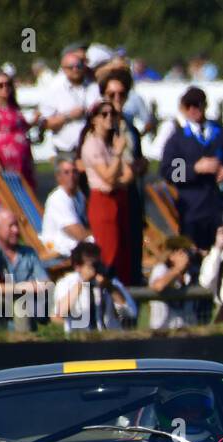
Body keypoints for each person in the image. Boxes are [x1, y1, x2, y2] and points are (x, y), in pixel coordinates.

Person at [160, 86, 223, 252]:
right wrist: (195, 169)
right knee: (195, 253)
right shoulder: (178, 140)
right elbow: (168, 172)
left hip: (219, 205)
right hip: (192, 208)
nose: (193, 110)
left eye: (197, 105)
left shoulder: (221, 135)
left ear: (204, 106)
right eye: (188, 106)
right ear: (182, 109)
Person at [96, 65, 146, 282]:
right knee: (111, 252)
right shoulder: (97, 125)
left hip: (131, 193)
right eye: (111, 94)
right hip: (108, 194)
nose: (117, 98)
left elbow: (138, 158)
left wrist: (140, 166)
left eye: (121, 94)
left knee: (132, 247)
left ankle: (131, 304)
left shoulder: (130, 127)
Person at [78, 101, 134, 282]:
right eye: (104, 114)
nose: (109, 117)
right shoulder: (92, 145)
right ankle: (106, 290)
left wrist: (116, 180)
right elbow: (108, 178)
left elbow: (128, 174)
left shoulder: (111, 143)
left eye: (112, 114)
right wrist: (118, 155)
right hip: (102, 200)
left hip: (118, 198)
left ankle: (122, 295)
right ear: (94, 119)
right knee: (108, 251)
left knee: (123, 251)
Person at [0, 208, 51, 326]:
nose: (16, 230)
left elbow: (46, 284)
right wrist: (28, 287)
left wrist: (9, 288)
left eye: (16, 225)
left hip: (29, 320)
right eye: (10, 226)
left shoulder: (29, 253)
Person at [52, 241, 135, 334]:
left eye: (97, 264)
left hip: (109, 340)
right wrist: (82, 283)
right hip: (79, 340)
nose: (94, 269)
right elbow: (59, 313)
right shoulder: (66, 283)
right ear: (77, 266)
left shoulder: (112, 282)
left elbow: (129, 313)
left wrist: (109, 287)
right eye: (90, 265)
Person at [0, 69, 37, 191]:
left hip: (20, 163)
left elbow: (19, 129)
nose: (5, 88)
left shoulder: (12, 105)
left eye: (8, 84)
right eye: (0, 85)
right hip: (2, 161)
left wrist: (35, 121)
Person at [38, 47, 100, 159]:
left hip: (92, 149)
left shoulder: (93, 87)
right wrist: (68, 116)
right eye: (71, 67)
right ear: (64, 69)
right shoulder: (55, 88)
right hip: (67, 151)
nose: (75, 69)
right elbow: (46, 123)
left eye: (79, 66)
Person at [41, 157, 90, 256]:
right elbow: (75, 232)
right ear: (58, 177)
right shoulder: (58, 199)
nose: (71, 176)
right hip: (59, 246)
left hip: (73, 243)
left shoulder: (79, 195)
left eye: (74, 172)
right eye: (66, 172)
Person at [148, 234, 199, 330]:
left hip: (187, 331)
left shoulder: (190, 274)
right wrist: (177, 269)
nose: (187, 256)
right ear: (171, 255)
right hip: (163, 330)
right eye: (182, 252)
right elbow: (158, 286)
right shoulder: (161, 269)